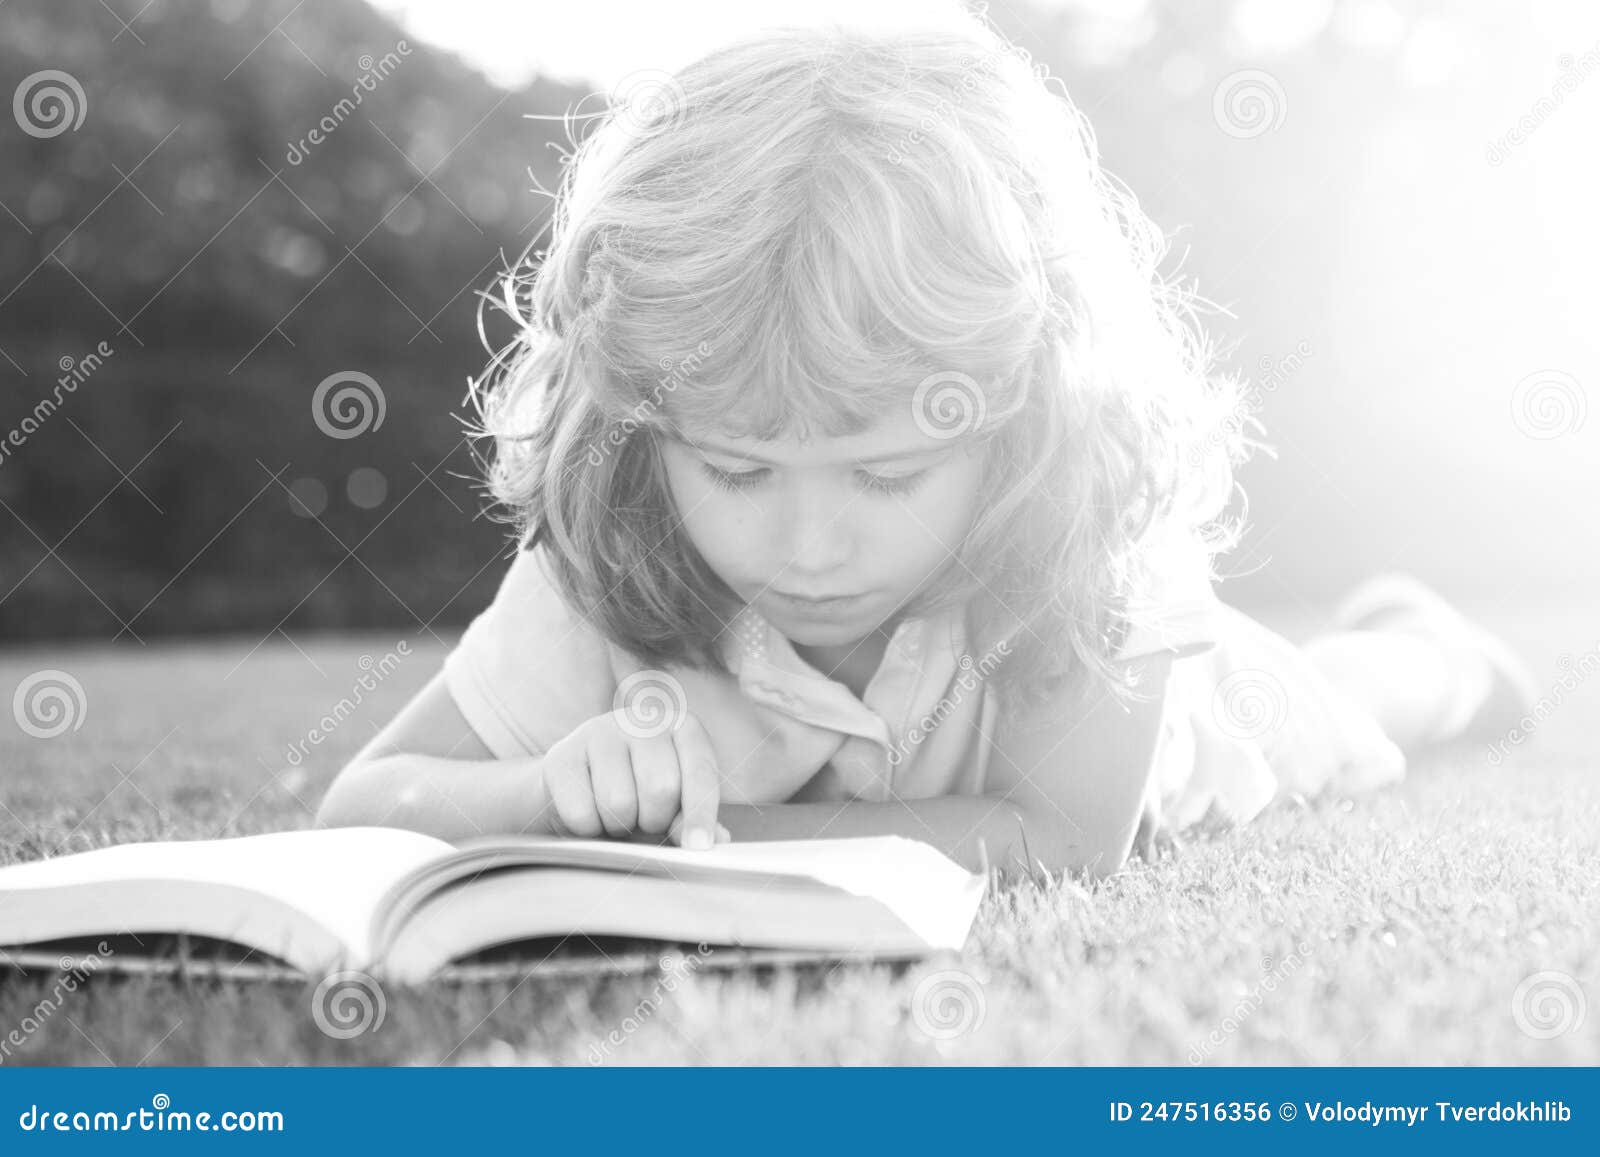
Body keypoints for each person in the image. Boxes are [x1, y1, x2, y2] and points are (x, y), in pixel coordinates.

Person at [314, 13, 1536, 880]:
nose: (807, 547)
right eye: (735, 469)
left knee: (1344, 705)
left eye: (888, 473)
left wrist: (695, 845)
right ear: (641, 428)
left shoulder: (1083, 545)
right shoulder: (620, 554)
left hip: (1207, 715)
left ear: (1023, 411)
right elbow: (365, 800)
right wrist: (541, 796)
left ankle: (1429, 646)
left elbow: (1057, 838)